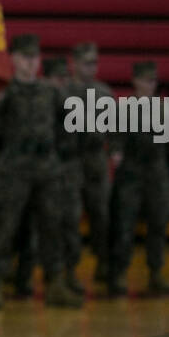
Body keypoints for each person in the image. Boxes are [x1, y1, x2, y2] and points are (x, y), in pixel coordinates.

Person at [0, 34, 82, 310]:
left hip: (46, 169)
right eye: (25, 57)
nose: (30, 63)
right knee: (6, 229)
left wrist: (59, 155)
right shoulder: (4, 94)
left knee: (52, 226)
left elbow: (67, 127)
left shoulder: (50, 92)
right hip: (14, 169)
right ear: (14, 59)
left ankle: (55, 284)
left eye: (34, 57)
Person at [107, 61, 169, 297]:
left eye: (154, 80)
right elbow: (114, 138)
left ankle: (156, 272)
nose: (150, 85)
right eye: (146, 80)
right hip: (131, 173)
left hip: (156, 172)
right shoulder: (122, 109)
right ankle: (119, 272)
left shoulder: (164, 110)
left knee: (158, 222)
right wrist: (117, 153)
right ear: (135, 81)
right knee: (124, 225)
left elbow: (167, 143)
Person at [67, 42, 114, 284]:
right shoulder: (63, 92)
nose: (91, 67)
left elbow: (115, 130)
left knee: (102, 214)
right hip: (72, 159)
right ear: (73, 63)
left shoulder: (104, 93)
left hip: (96, 158)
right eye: (86, 62)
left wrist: (115, 152)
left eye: (94, 62)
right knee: (71, 216)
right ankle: (70, 268)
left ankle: (104, 263)